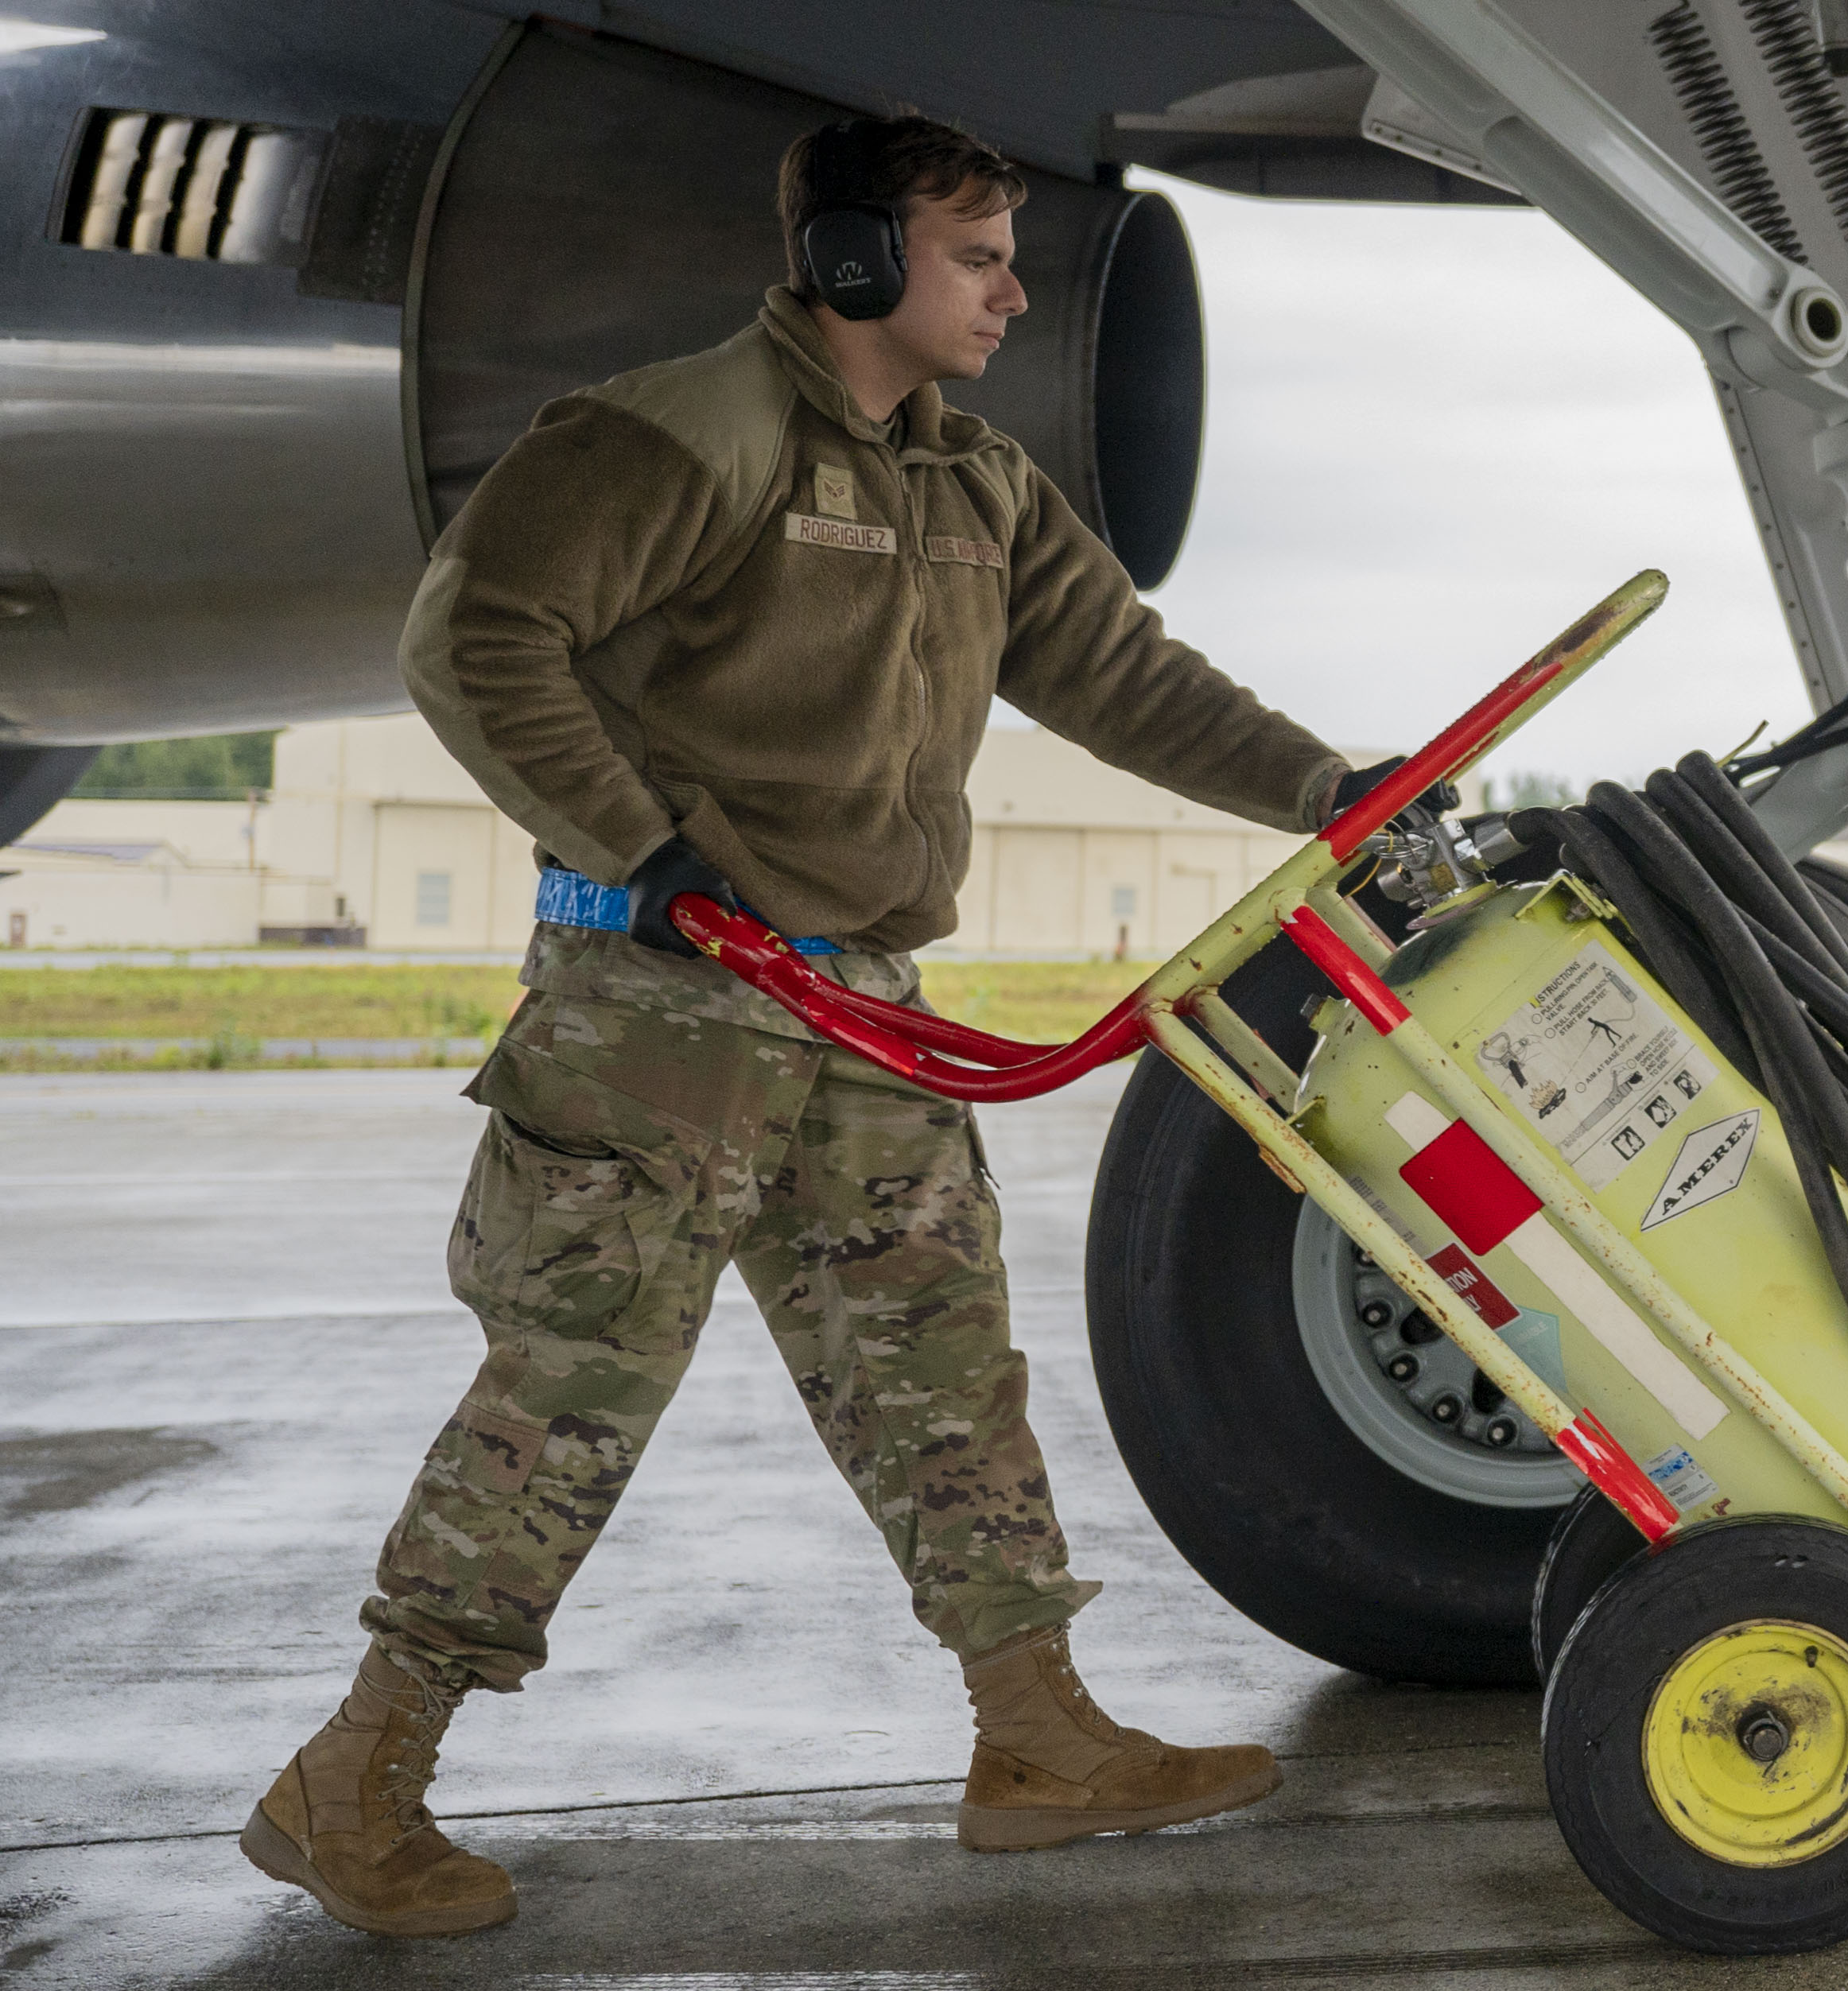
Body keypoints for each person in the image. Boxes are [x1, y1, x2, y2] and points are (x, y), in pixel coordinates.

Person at [240, 114, 1434, 1939]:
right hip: (666, 1008)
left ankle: (1035, 1739)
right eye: (977, 258)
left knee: (940, 1366)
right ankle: (358, 1777)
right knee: (571, 1392)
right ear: (857, 263)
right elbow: (476, 638)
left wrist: (1328, 787)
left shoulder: (973, 483)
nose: (1013, 292)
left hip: (858, 1004)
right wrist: (639, 851)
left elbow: (1123, 677)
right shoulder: (674, 436)